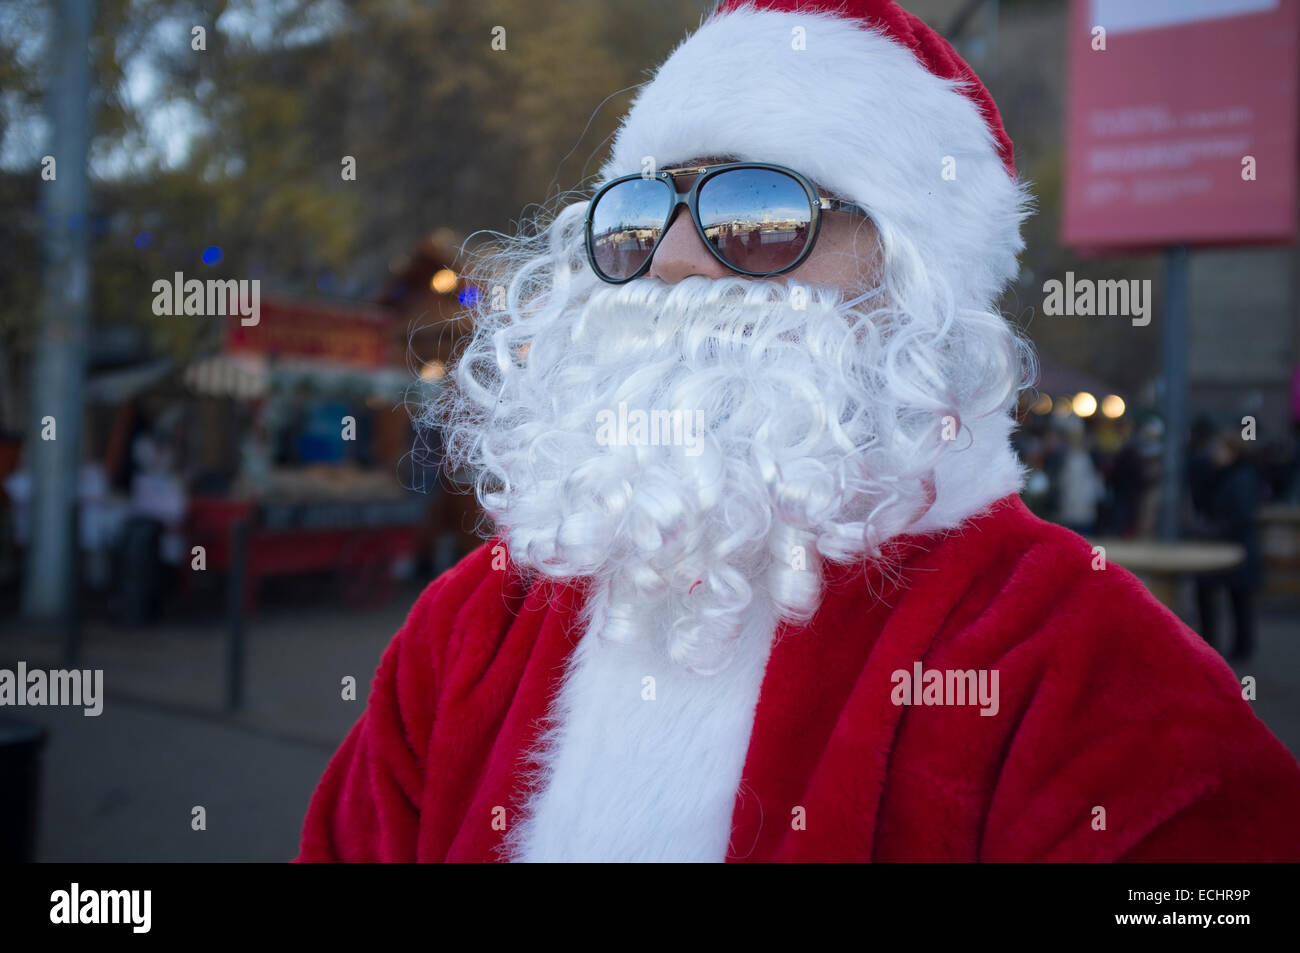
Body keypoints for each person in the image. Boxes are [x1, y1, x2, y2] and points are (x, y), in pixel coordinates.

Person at [295, 0, 1300, 862]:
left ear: (912, 285)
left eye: (760, 215)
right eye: (641, 215)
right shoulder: (469, 624)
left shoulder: (1086, 666)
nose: (676, 258)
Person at [1193, 430, 1263, 662]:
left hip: (1236, 548)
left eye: (1220, 449)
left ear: (1232, 451)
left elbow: (1241, 516)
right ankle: (1235, 648)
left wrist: (1211, 530)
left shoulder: (1238, 478)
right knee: (1237, 601)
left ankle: (1232, 649)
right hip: (1235, 546)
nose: (1215, 454)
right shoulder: (1234, 475)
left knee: (1235, 600)